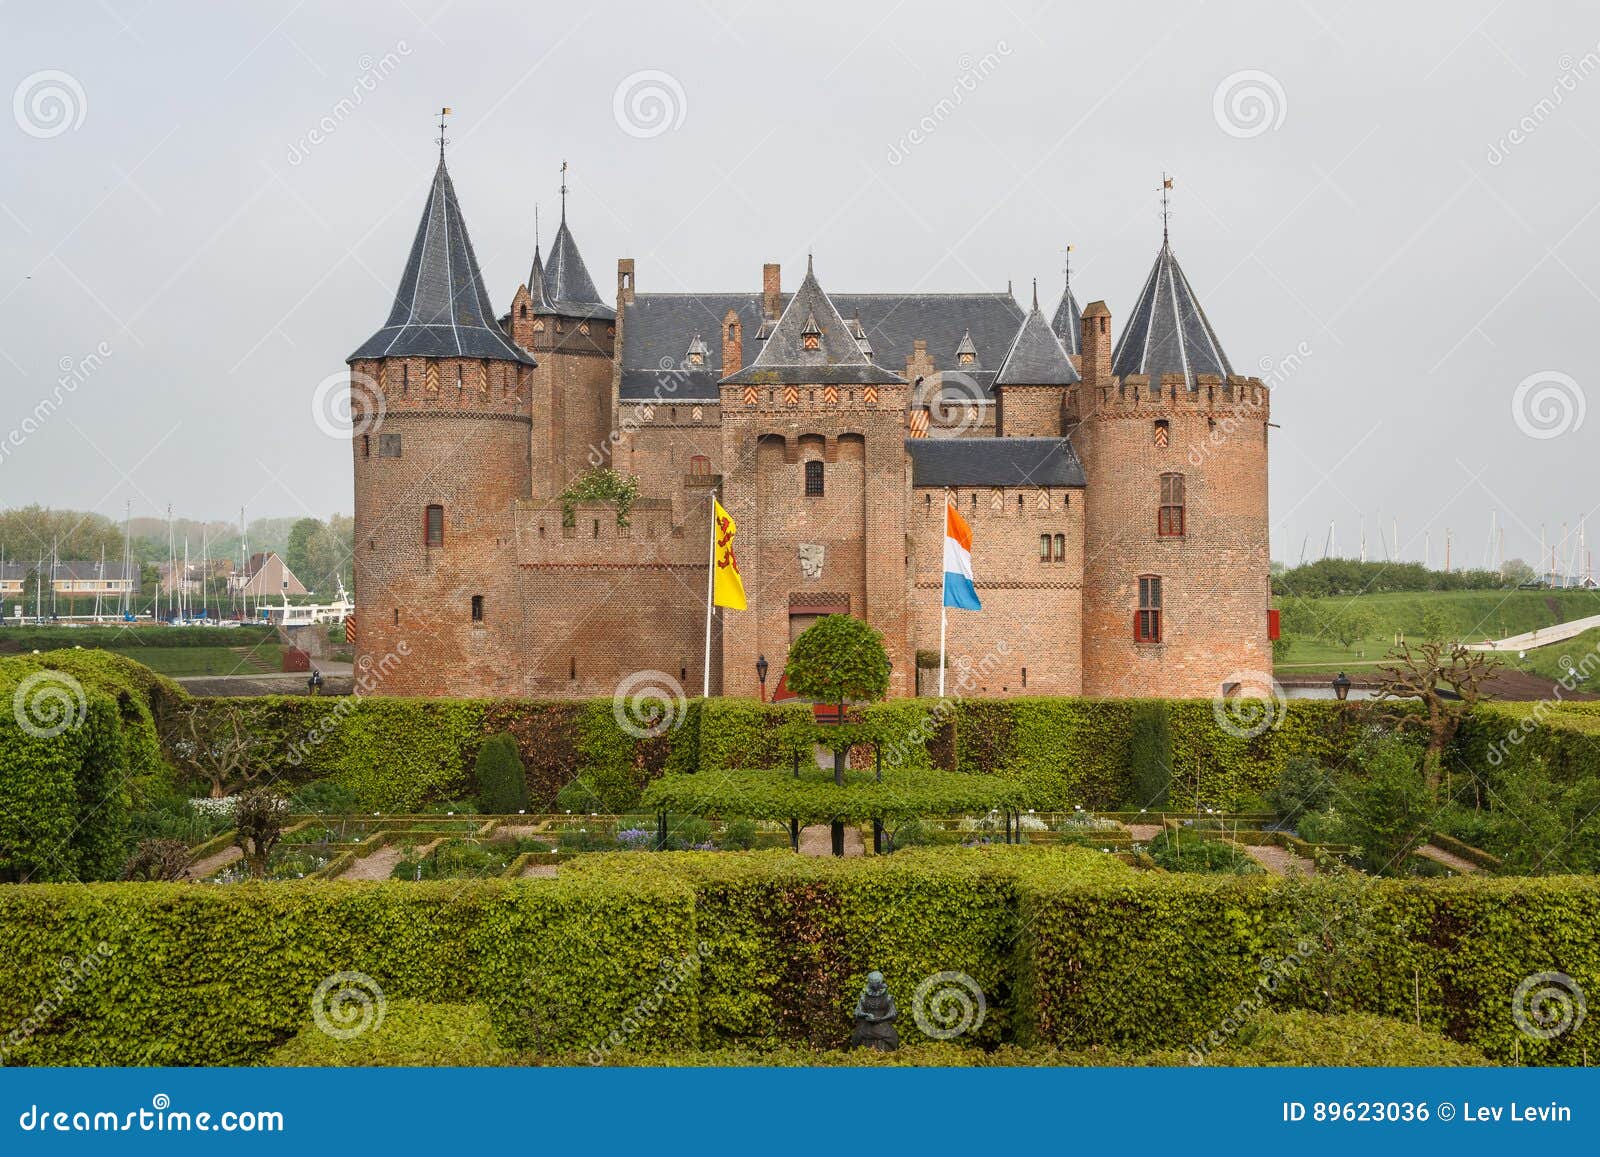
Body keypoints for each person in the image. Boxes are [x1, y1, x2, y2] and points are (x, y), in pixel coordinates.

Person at [850, 971, 899, 1051]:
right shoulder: (863, 997)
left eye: (876, 982)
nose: (873, 984)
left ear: (880, 982)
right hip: (866, 1026)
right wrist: (865, 1015)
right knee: (857, 1036)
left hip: (883, 1025)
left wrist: (881, 1019)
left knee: (892, 1037)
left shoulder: (888, 998)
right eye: (871, 982)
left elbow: (893, 1013)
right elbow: (857, 1012)